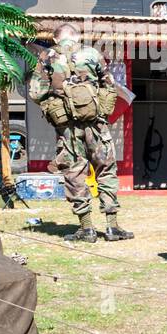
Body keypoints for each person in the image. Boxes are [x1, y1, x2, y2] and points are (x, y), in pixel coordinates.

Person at [27, 24, 133, 243]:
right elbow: (110, 84)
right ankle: (112, 227)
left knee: (75, 173)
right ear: (76, 37)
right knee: (106, 169)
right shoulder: (92, 53)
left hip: (67, 128)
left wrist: (56, 97)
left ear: (56, 39)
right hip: (96, 124)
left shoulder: (47, 56)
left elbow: (35, 93)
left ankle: (87, 229)